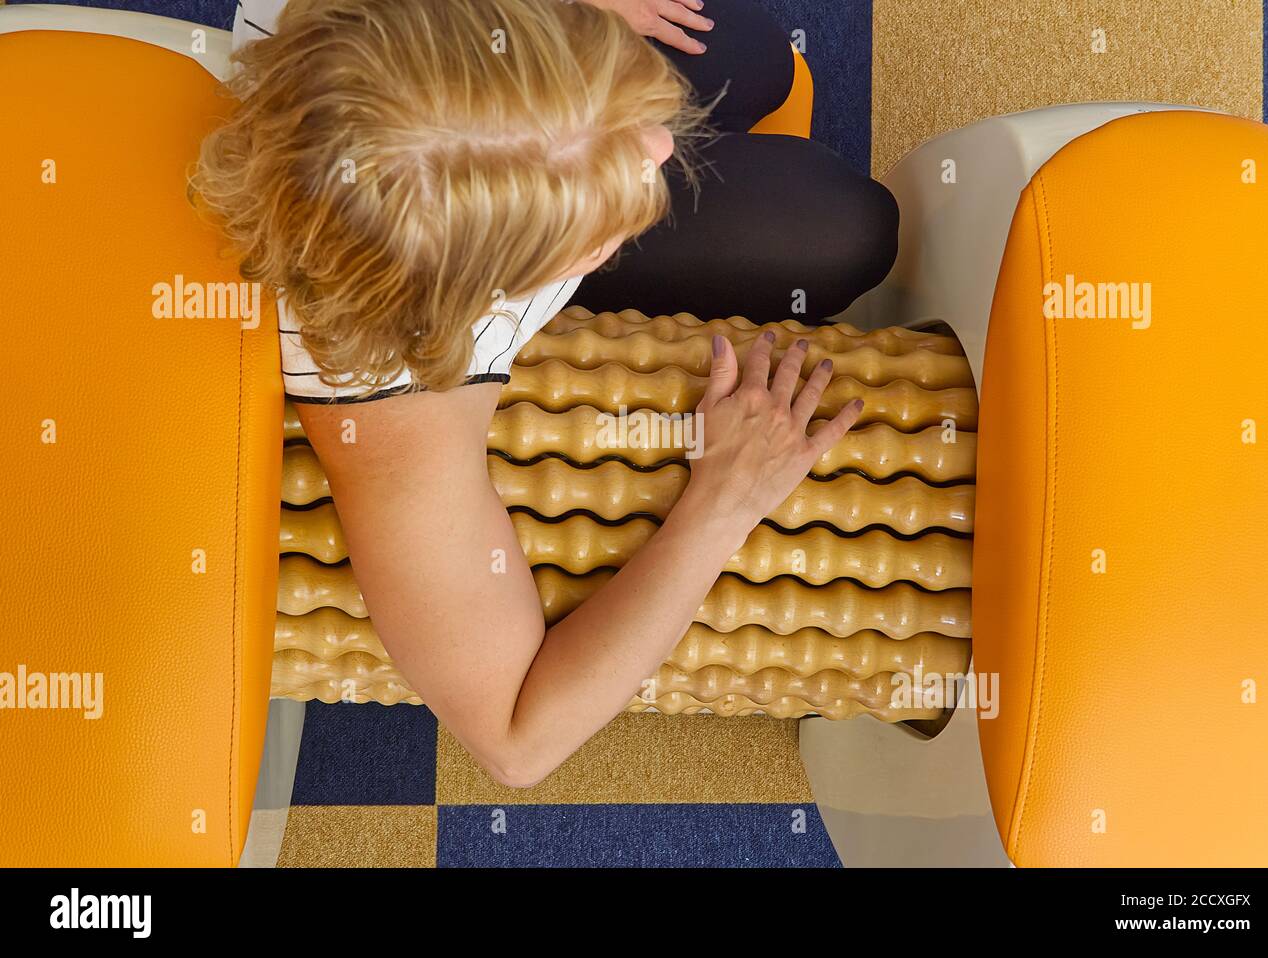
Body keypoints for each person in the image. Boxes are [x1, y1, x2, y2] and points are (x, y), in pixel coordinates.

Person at [195, 0, 895, 786]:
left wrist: (560, 26)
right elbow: (517, 738)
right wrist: (725, 501)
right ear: (492, 289)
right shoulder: (396, 408)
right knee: (849, 232)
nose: (660, 145)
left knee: (756, 61)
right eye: (598, 223)